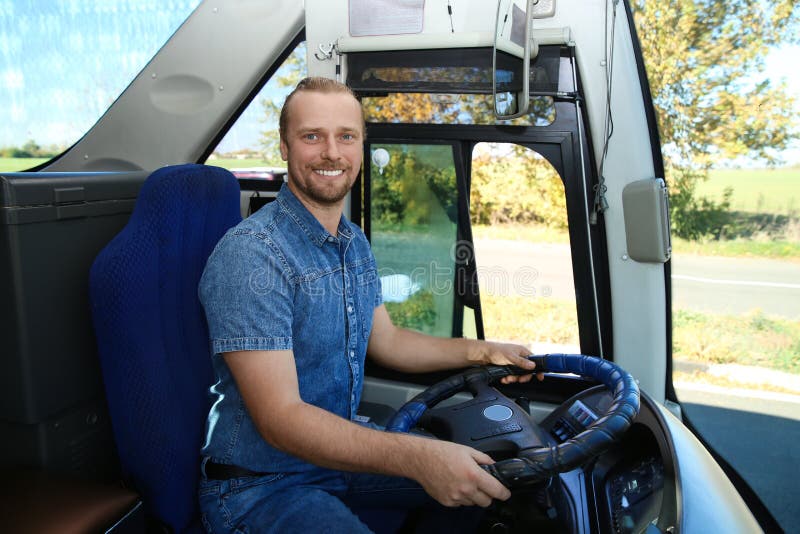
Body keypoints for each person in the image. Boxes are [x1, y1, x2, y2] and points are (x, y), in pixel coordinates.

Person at [197, 77, 538, 533]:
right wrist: (418, 457)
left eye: (347, 136)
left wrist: (484, 350)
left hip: (336, 462)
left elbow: (390, 342)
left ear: (360, 146)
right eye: (312, 136)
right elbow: (281, 420)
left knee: (491, 483)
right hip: (262, 486)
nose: (331, 153)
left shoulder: (352, 242)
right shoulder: (251, 254)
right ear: (284, 146)